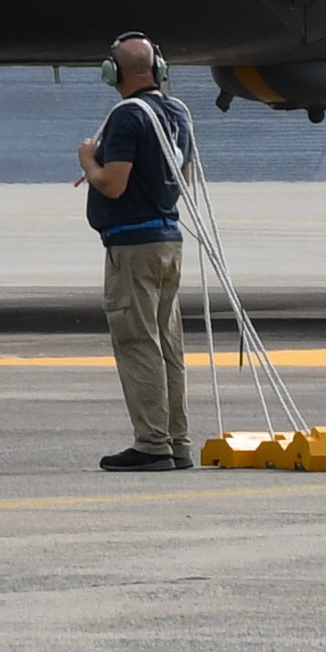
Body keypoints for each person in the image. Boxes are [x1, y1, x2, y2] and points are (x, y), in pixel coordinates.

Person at [80, 35, 193, 471]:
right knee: (167, 343)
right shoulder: (178, 111)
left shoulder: (128, 116)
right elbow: (182, 174)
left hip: (132, 245)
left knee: (137, 342)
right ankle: (176, 439)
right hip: (168, 239)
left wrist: (89, 161)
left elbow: (114, 183)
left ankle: (151, 444)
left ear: (114, 72)